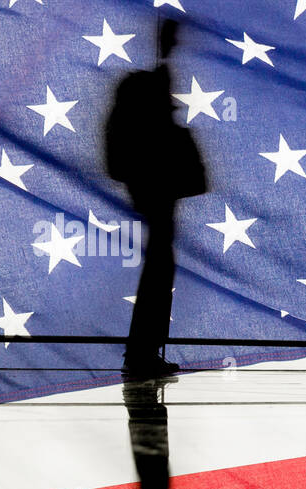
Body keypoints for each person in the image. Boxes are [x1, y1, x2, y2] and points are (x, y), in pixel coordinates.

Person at [105, 18, 207, 379]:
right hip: (154, 188)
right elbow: (145, 139)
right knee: (159, 269)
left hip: (154, 189)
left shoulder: (151, 81)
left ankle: (143, 351)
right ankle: (142, 352)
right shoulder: (144, 84)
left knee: (160, 267)